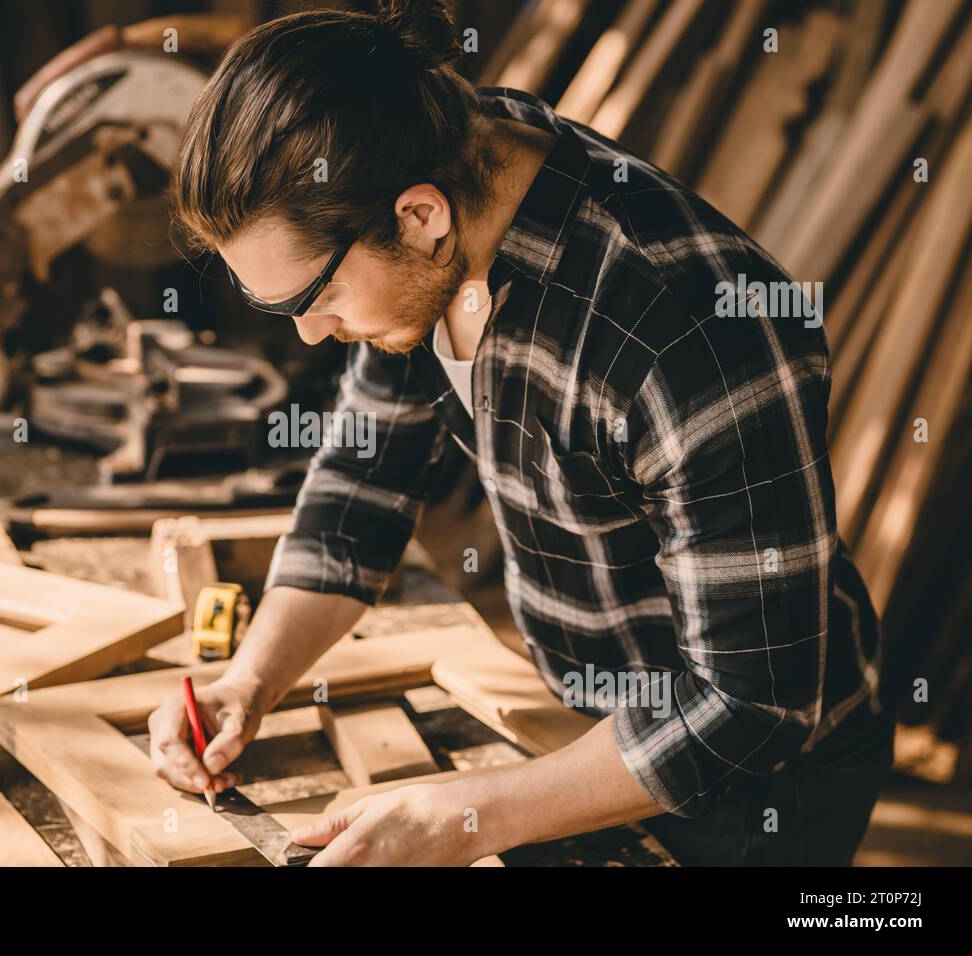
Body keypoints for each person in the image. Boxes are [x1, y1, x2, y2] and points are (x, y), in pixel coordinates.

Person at [149, 0, 898, 866]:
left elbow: (752, 704)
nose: (309, 334)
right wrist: (249, 678)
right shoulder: (428, 176)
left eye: (309, 299)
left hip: (759, 776)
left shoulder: (690, 335)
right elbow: (364, 481)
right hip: (585, 714)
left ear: (421, 216)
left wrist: (467, 817)